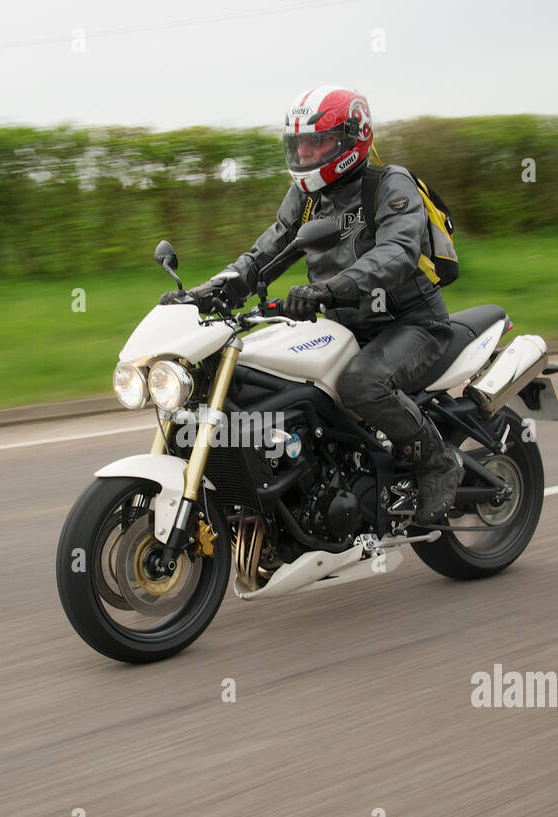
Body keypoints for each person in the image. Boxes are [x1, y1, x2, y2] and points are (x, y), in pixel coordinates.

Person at [162, 85, 464, 525]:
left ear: (351, 138)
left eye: (317, 141)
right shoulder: (306, 199)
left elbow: (397, 252)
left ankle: (438, 461)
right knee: (261, 383)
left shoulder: (388, 184)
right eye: (299, 143)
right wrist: (202, 295)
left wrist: (332, 288)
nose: (305, 152)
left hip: (411, 323)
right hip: (342, 326)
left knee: (362, 385)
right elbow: (264, 253)